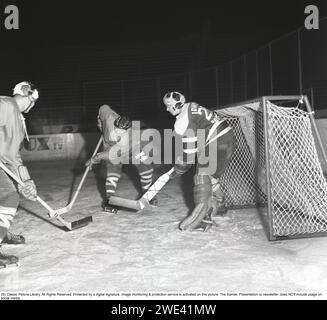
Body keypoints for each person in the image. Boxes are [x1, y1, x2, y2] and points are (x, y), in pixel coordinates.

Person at [163, 91, 236, 231]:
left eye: (168, 105)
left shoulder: (183, 119)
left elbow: (189, 155)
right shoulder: (191, 106)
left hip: (219, 139)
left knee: (202, 175)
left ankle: (201, 217)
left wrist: (180, 168)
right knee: (210, 176)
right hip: (227, 137)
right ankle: (220, 204)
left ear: (177, 104)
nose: (167, 109)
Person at [86, 105, 158, 213]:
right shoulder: (108, 117)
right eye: (116, 129)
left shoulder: (129, 138)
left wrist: (93, 159)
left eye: (122, 132)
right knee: (113, 173)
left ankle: (148, 194)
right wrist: (100, 121)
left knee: (146, 168)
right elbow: (103, 108)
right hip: (109, 146)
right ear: (114, 123)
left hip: (129, 149)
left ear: (127, 130)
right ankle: (110, 200)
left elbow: (108, 154)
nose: (118, 133)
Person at [0, 81, 39, 268]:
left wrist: (26, 181)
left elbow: (13, 156)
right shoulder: (7, 104)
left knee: (6, 194)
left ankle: (2, 232)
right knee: (8, 196)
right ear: (29, 95)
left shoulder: (18, 117)